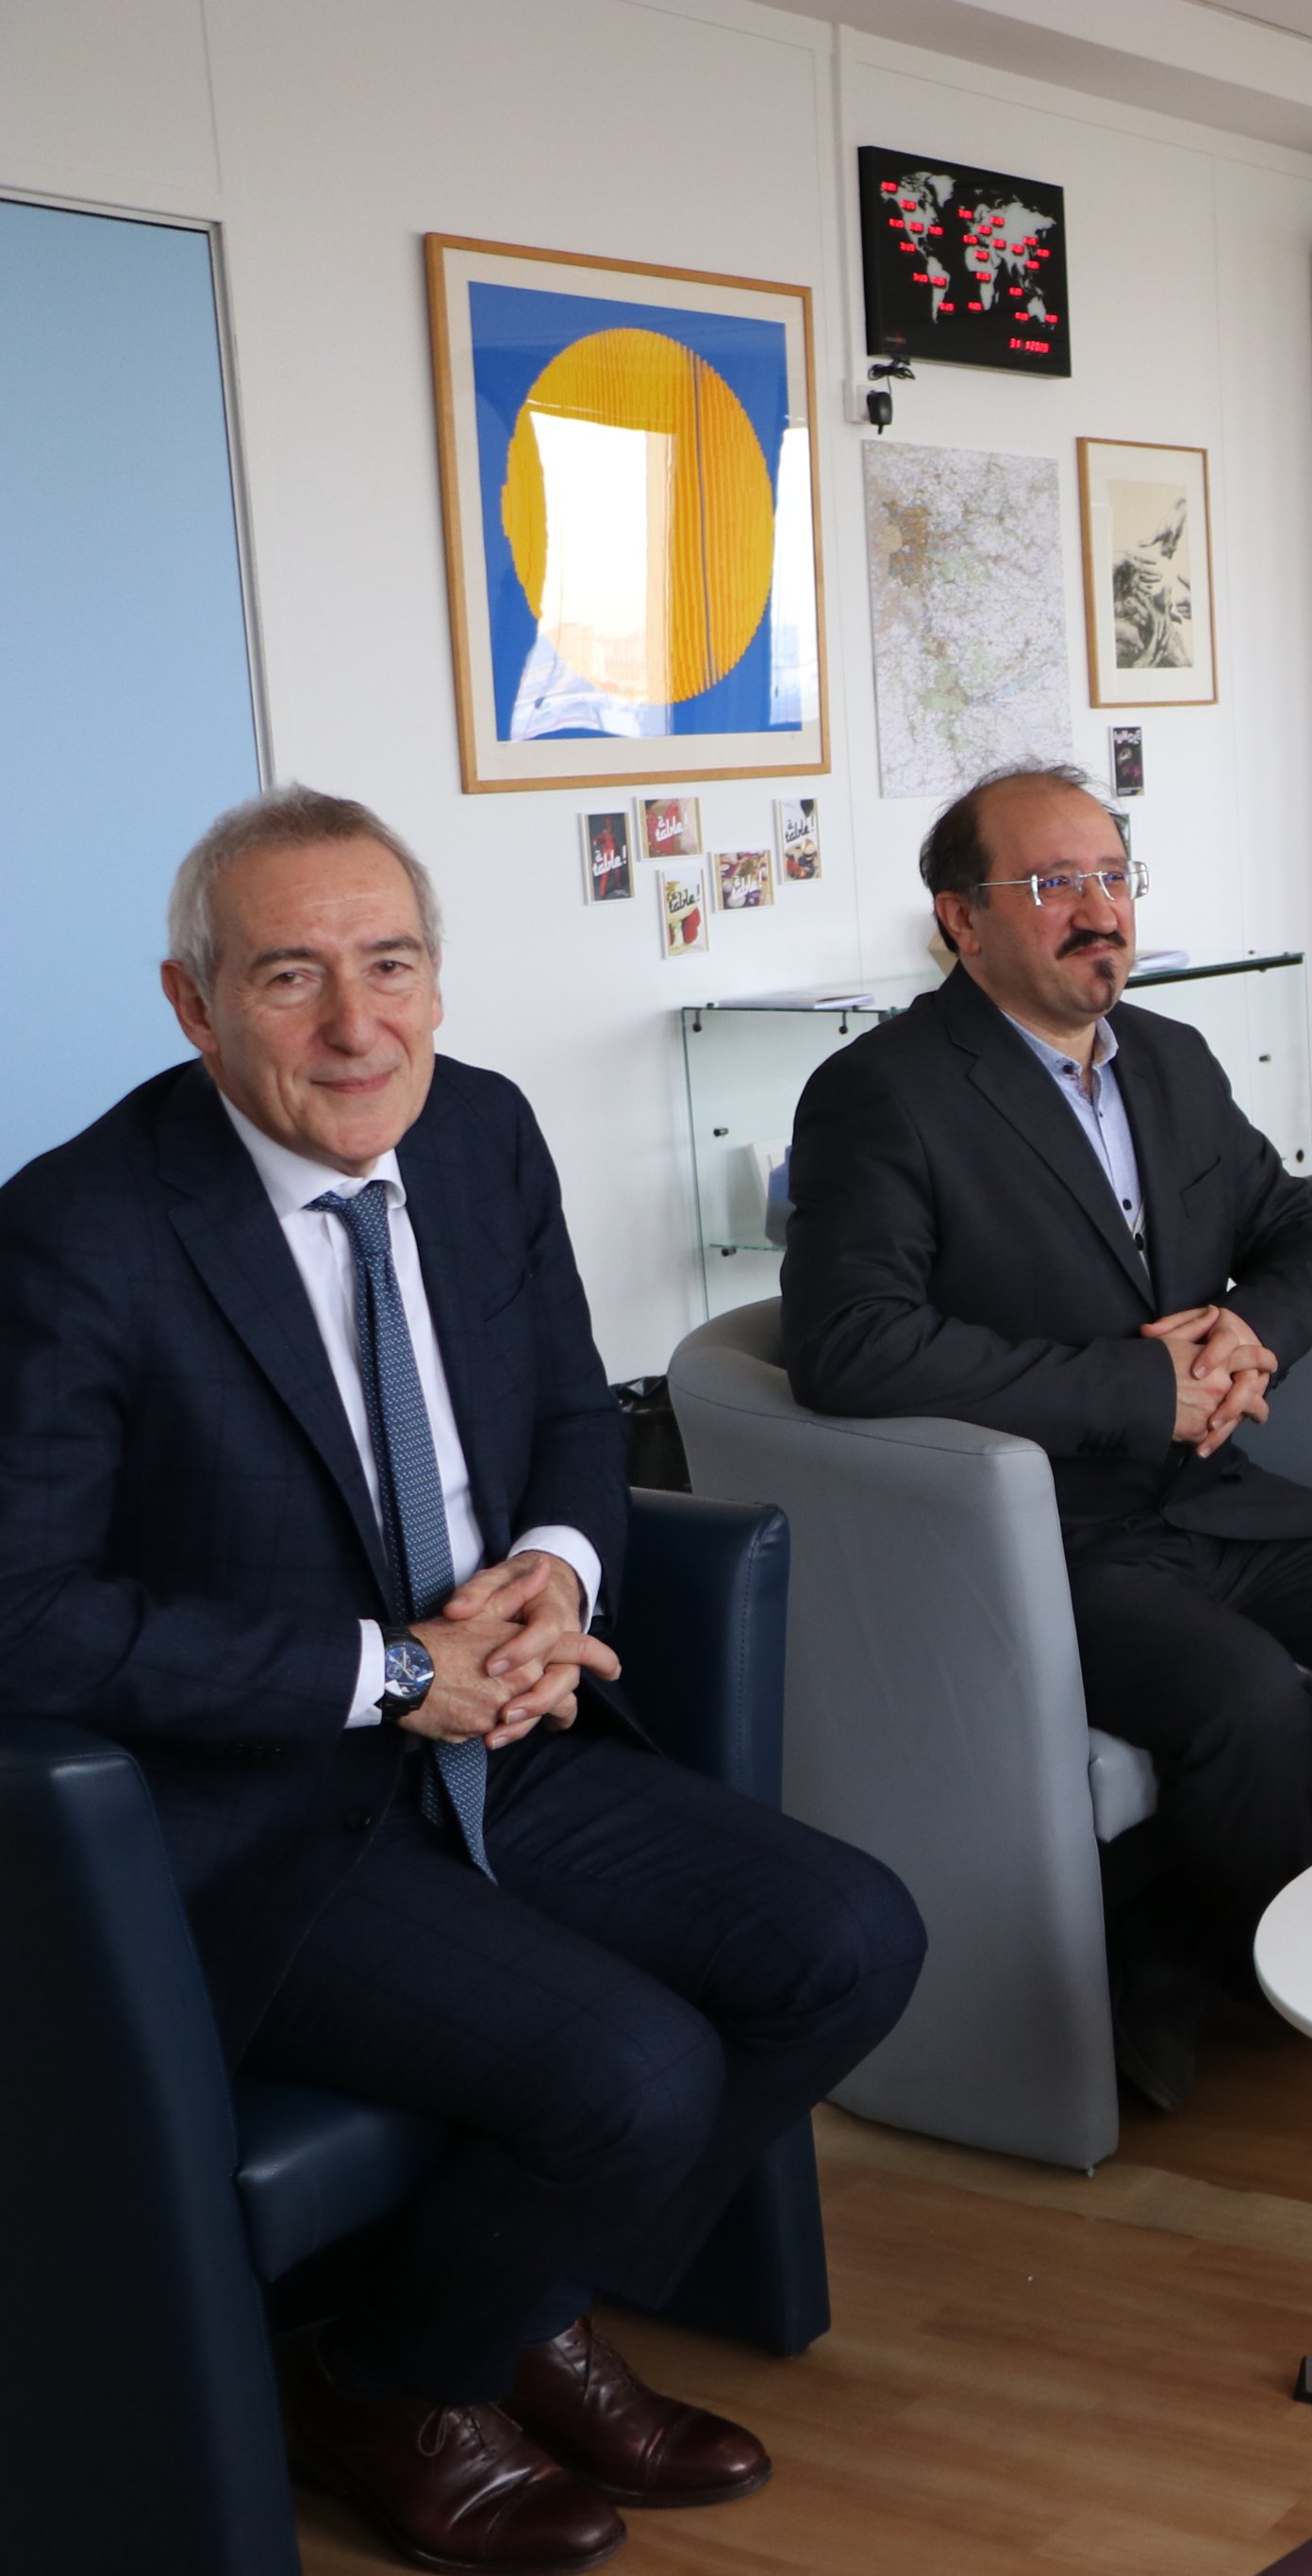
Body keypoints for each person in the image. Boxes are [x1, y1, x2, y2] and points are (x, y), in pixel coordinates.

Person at [0, 789, 925, 2576]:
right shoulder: (77, 1235)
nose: (360, 1026)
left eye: (392, 965)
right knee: (633, 2070)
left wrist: (556, 1574)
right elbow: (23, 1612)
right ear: (195, 1006)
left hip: (505, 1730)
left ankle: (504, 2317)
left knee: (853, 1938)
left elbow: (579, 1413)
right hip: (255, 1811)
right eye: (291, 976)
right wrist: (382, 1672)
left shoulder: (485, 1131)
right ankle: (393, 2385)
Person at [779, 762, 1312, 2115]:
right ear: (962, 919)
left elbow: (1297, 1232)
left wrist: (1253, 1339)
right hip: (1038, 1530)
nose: (1098, 911)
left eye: (1113, 876)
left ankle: (1168, 1927)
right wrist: (1130, 1386)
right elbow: (850, 1344)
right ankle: (1277, 1954)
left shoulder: (1170, 1059)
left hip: (1214, 1489)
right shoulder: (885, 1092)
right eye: (1054, 885)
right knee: (1239, 1700)